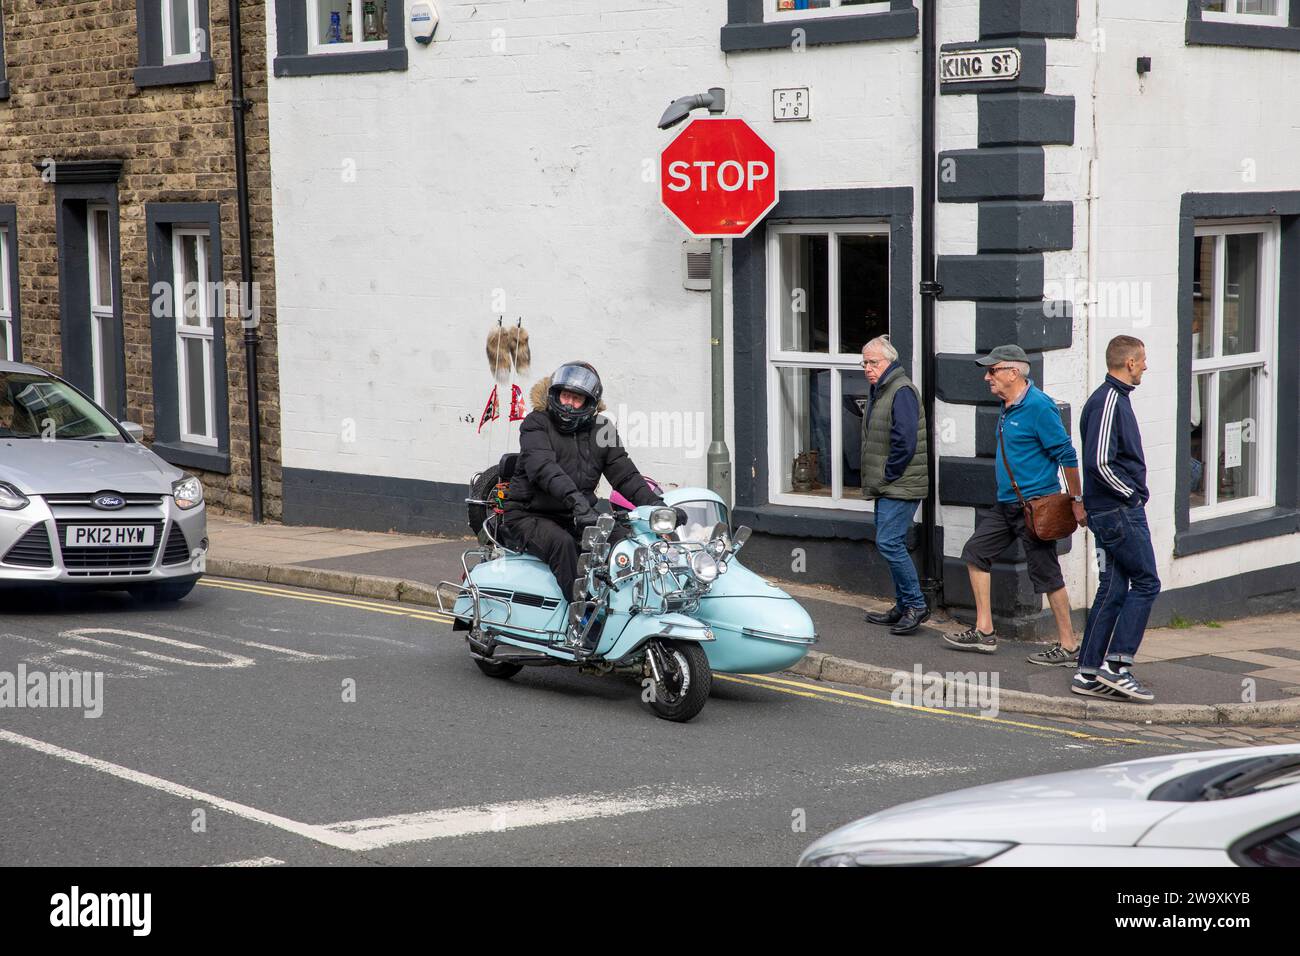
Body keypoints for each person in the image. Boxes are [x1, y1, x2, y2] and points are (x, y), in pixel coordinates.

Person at [503, 361, 664, 649]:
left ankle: (629, 612)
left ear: (590, 403)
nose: (569, 403)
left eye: (577, 398)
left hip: (580, 513)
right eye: (565, 395)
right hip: (528, 513)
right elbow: (544, 468)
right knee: (562, 544)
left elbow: (624, 474)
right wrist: (577, 503)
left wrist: (658, 507)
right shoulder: (536, 423)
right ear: (555, 394)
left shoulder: (602, 429)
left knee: (624, 543)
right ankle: (584, 621)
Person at [946, 345, 1086, 657]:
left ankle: (1068, 646)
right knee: (975, 552)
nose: (987, 377)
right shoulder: (1008, 405)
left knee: (1047, 576)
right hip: (1007, 505)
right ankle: (985, 630)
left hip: (1036, 507)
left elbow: (1067, 454)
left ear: (1014, 372)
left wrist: (1077, 500)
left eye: (992, 371)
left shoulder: (1039, 407)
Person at [1072, 336, 1159, 702]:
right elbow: (1099, 463)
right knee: (1146, 582)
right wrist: (1132, 495)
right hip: (1118, 514)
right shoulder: (1109, 400)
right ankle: (1117, 666)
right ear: (1129, 363)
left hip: (1109, 513)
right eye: (1142, 361)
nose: (1145, 367)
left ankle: (1087, 672)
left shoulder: (1112, 399)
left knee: (1111, 588)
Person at [858, 335, 931, 635]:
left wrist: (888, 474)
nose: (867, 368)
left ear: (889, 361)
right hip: (889, 484)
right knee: (890, 542)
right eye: (864, 363)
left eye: (873, 362)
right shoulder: (882, 388)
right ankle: (903, 605)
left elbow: (905, 441)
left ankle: (915, 604)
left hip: (899, 484)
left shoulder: (900, 390)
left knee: (889, 543)